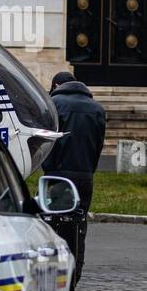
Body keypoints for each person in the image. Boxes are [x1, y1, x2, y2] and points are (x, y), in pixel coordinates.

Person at [43, 71, 106, 277]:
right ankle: (76, 269)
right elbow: (98, 145)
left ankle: (56, 270)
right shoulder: (97, 108)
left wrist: (48, 168)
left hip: (57, 174)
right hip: (85, 175)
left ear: (57, 85)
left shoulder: (53, 104)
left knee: (53, 223)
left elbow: (47, 141)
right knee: (79, 223)